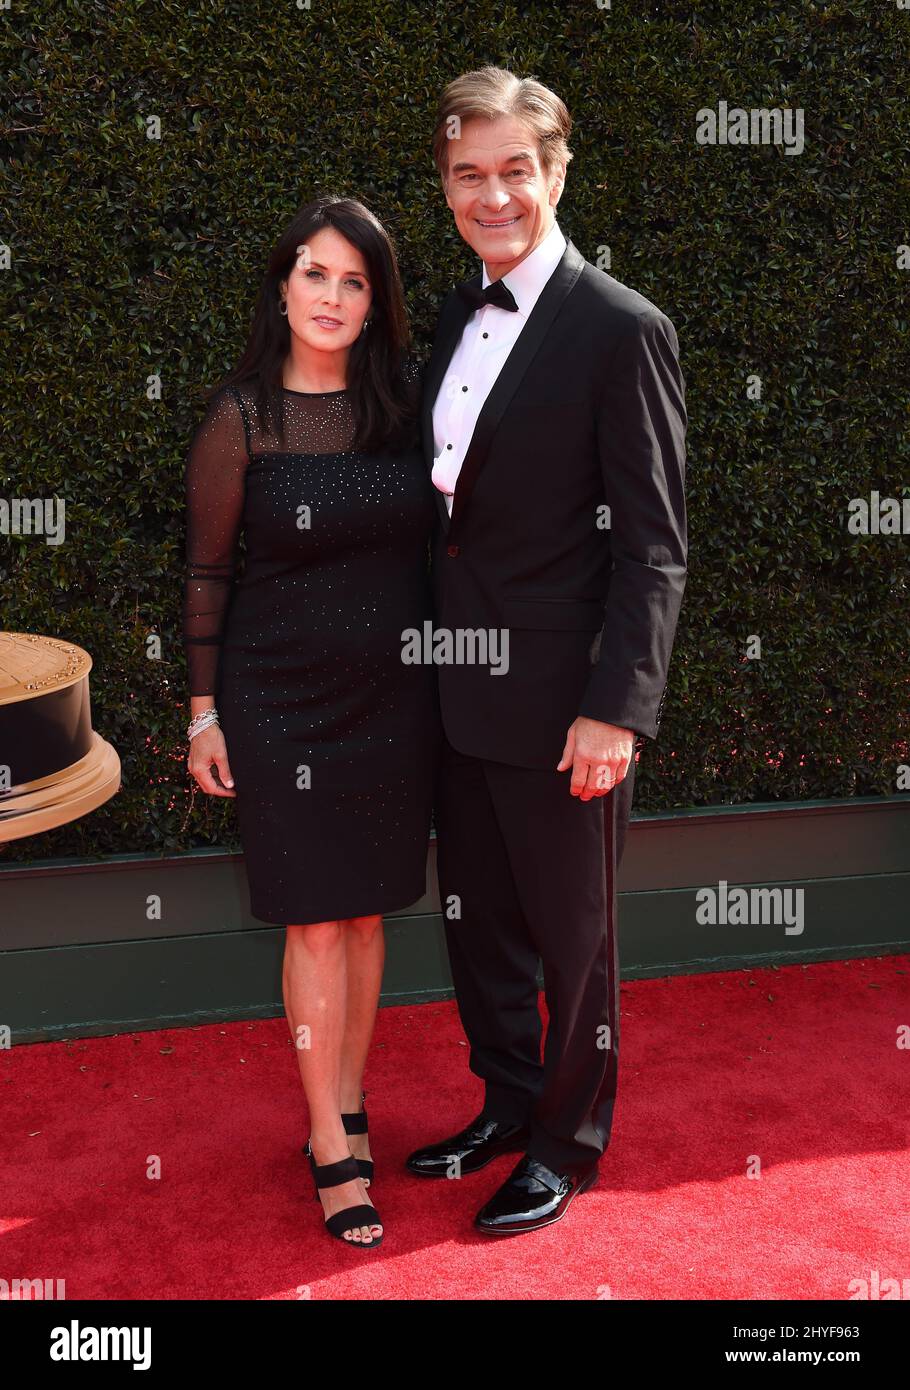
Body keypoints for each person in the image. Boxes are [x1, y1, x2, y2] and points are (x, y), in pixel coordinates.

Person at [406, 67, 688, 1236]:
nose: (493, 193)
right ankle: (507, 1101)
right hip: (450, 691)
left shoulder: (622, 329)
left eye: (514, 169)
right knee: (478, 922)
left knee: (574, 942)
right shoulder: (447, 318)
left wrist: (615, 708)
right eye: (469, 174)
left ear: (556, 173)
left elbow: (655, 548)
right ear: (446, 187)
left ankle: (567, 1144)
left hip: (564, 701)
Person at [183, 196, 441, 1249]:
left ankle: (349, 1097)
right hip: (278, 700)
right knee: (313, 918)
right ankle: (328, 1141)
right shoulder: (240, 418)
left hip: (395, 699)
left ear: (376, 301)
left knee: (369, 912)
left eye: (354, 280)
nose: (331, 297)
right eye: (314, 274)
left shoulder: (408, 405)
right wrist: (203, 715)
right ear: (281, 287)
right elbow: (205, 572)